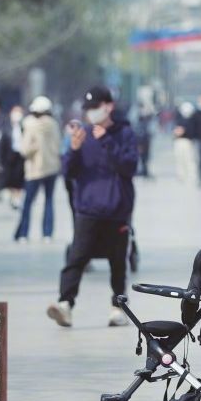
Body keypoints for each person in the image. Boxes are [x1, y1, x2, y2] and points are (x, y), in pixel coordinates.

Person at [47, 86, 139, 328]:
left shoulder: (124, 133)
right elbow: (68, 172)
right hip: (88, 208)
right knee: (76, 257)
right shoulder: (82, 135)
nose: (91, 112)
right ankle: (65, 304)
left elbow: (130, 167)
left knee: (118, 261)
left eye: (96, 107)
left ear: (109, 107)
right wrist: (74, 150)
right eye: (88, 109)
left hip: (117, 209)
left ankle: (118, 307)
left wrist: (107, 141)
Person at [17, 95, 61, 242]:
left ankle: (23, 233)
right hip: (52, 167)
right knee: (49, 200)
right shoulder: (54, 125)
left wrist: (35, 147)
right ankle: (47, 233)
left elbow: (25, 149)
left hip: (34, 169)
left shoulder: (30, 124)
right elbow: (58, 146)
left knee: (28, 202)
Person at [172, 101, 198, 183]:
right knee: (179, 159)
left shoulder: (193, 120)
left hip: (188, 141)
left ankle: (192, 175)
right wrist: (177, 132)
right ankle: (181, 175)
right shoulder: (178, 119)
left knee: (189, 159)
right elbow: (175, 130)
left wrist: (184, 132)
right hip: (178, 141)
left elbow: (194, 132)